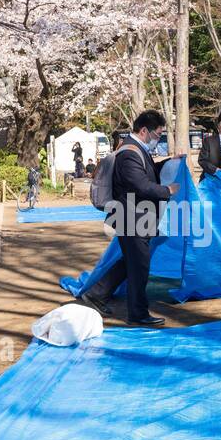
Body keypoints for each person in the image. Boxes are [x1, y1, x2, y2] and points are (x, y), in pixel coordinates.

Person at [79, 110, 182, 327]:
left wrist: (169, 161)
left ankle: (97, 294)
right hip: (132, 219)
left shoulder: (135, 149)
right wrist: (168, 190)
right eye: (157, 134)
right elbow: (141, 185)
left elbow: (148, 171)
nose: (158, 139)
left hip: (135, 218)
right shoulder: (129, 154)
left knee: (130, 262)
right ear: (144, 131)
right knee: (140, 267)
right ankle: (138, 314)